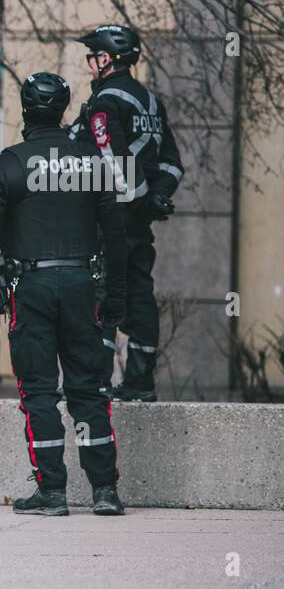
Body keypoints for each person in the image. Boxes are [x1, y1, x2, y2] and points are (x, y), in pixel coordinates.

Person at [0, 73, 127, 516]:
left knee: (38, 392)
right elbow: (118, 235)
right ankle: (104, 492)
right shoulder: (94, 163)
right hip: (82, 286)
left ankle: (53, 492)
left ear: (27, 109)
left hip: (30, 288)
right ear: (64, 108)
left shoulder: (8, 164)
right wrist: (118, 296)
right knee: (88, 390)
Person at [68, 24, 183, 401]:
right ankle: (139, 382)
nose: (89, 63)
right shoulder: (151, 102)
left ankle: (93, 382)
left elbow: (111, 160)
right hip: (138, 222)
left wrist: (135, 198)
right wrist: (155, 198)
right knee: (140, 296)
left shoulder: (105, 101)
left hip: (109, 218)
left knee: (99, 296)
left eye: (92, 56)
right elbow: (172, 163)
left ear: (107, 59)